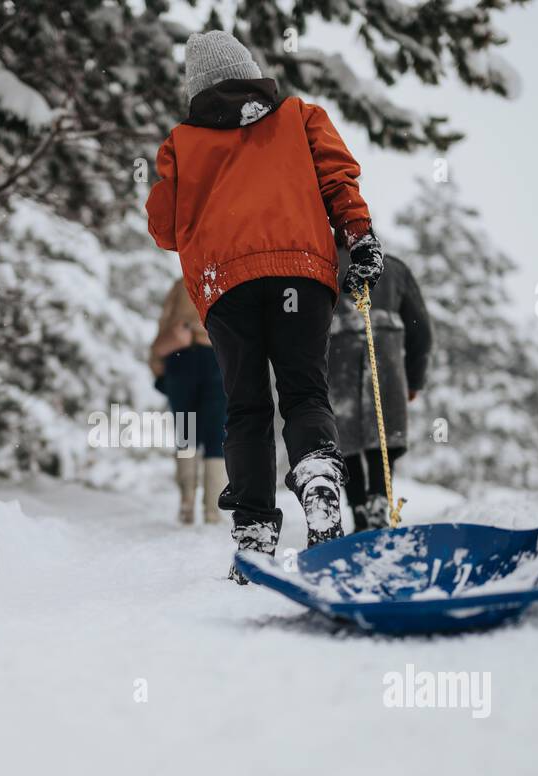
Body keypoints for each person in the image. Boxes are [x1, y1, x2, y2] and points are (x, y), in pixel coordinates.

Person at [145, 30, 383, 582]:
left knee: (246, 407)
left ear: (196, 87)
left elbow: (163, 228)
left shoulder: (182, 142)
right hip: (300, 271)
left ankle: (254, 534)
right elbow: (338, 179)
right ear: (251, 71)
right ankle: (319, 472)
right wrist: (360, 236)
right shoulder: (300, 117)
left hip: (227, 284)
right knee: (304, 391)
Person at [328, 247, 433, 530]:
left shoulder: (324, 264)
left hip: (337, 361)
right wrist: (413, 379)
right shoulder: (394, 268)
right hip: (385, 363)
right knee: (382, 435)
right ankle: (378, 506)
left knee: (345, 436)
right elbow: (420, 330)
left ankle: (359, 512)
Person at [149, 278, 228, 524]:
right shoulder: (225, 276)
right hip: (216, 357)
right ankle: (212, 511)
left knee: (186, 432)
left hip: (180, 358)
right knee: (217, 435)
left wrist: (155, 361)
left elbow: (165, 320)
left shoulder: (182, 282)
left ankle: (187, 503)